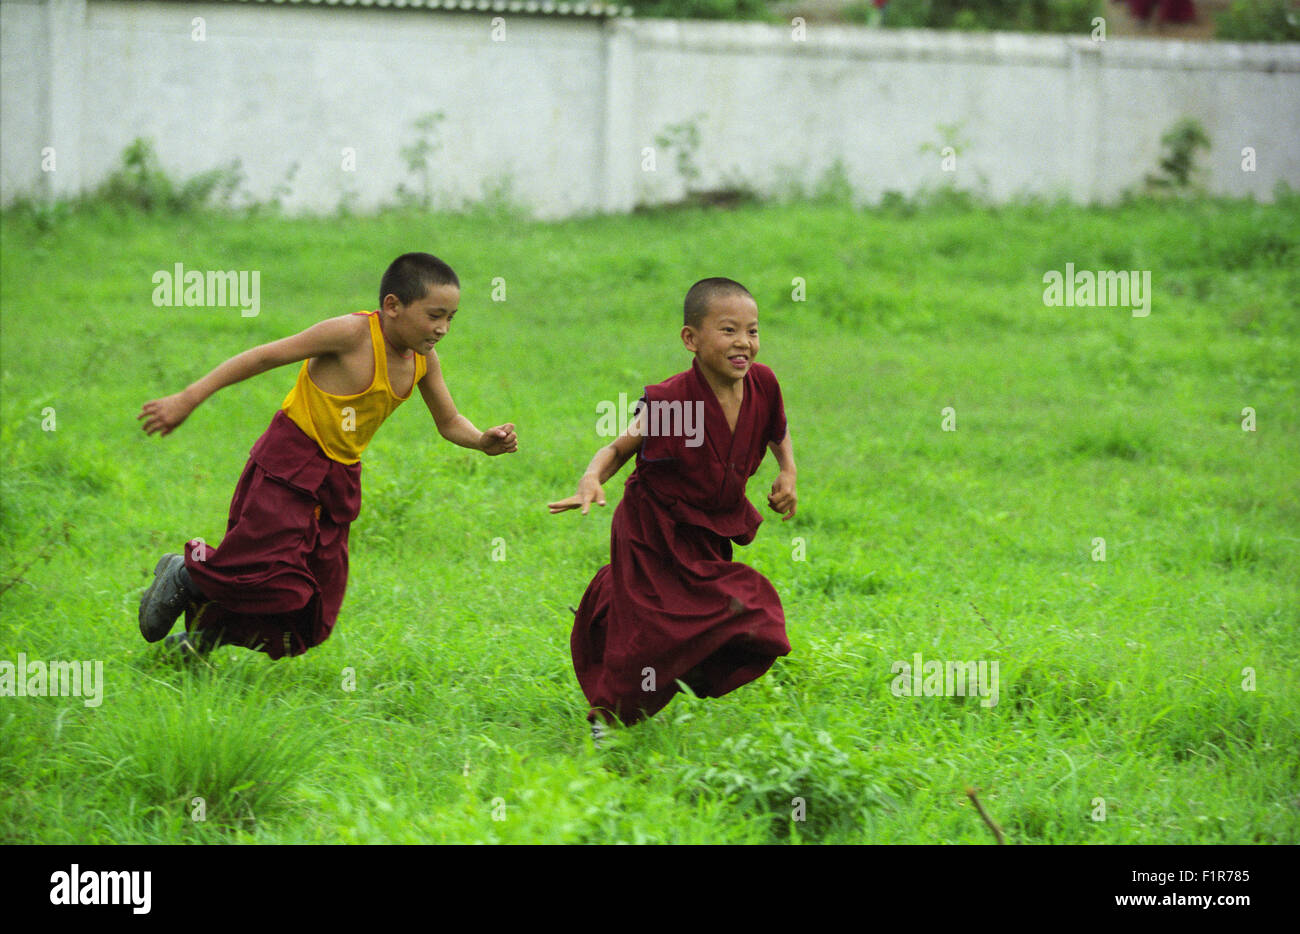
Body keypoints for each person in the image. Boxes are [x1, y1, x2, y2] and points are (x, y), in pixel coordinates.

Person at [137, 252, 517, 659]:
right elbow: (266, 355)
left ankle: (201, 640)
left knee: (309, 612)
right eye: (434, 315)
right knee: (264, 573)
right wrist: (188, 397)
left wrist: (480, 440)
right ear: (392, 306)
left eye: (450, 318)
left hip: (337, 483)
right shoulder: (351, 334)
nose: (442, 328)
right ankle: (185, 573)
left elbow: (449, 419)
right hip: (289, 464)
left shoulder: (423, 359)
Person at [549, 277, 797, 743]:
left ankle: (624, 610)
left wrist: (788, 473)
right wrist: (590, 479)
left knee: (739, 616)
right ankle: (607, 720)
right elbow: (620, 446)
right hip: (652, 529)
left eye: (753, 330)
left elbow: (776, 429)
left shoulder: (762, 384)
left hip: (708, 530)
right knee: (651, 627)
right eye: (728, 330)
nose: (744, 342)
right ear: (691, 339)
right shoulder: (672, 402)